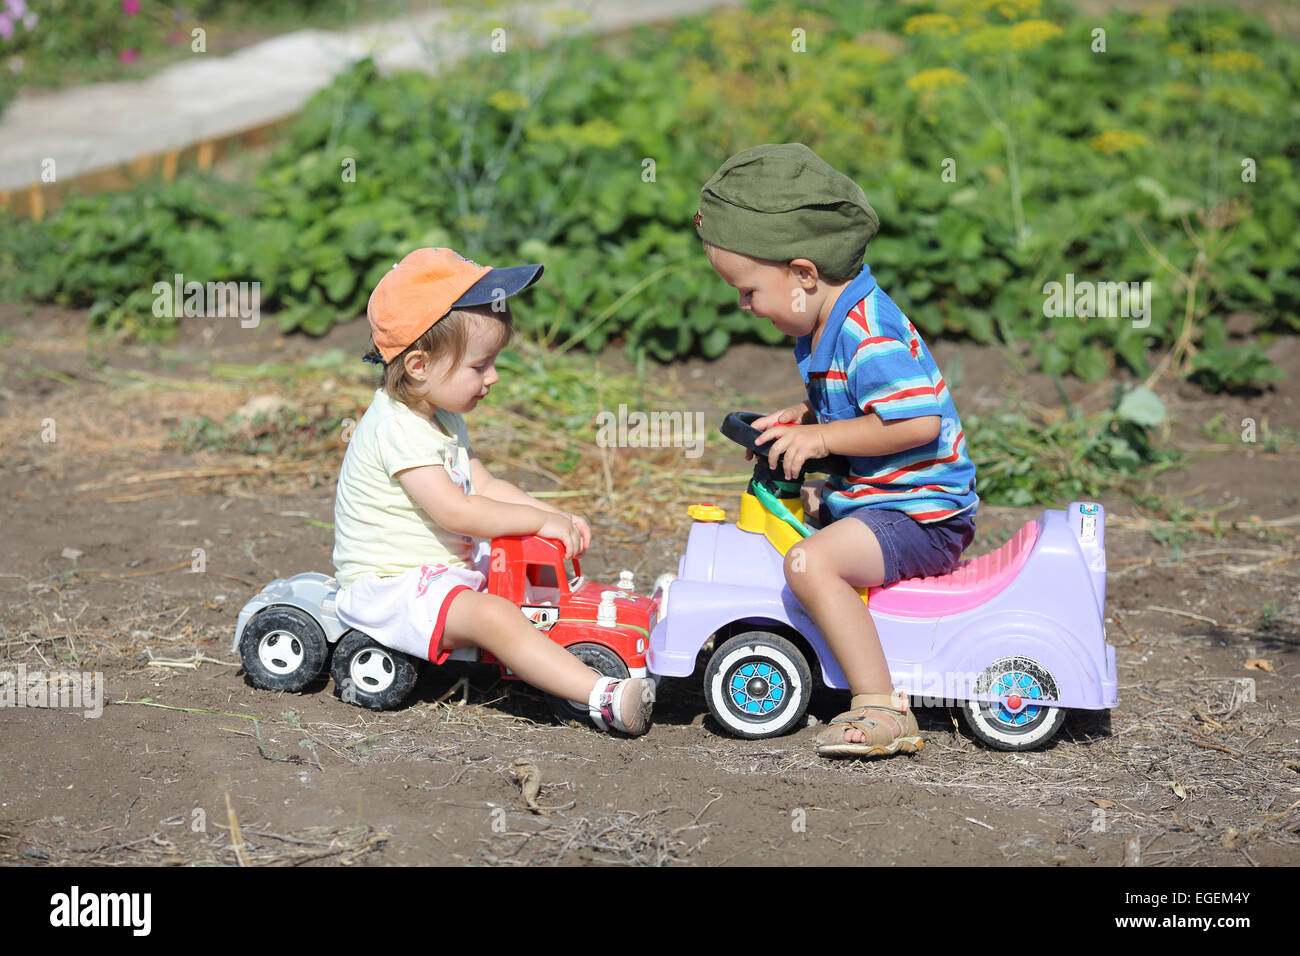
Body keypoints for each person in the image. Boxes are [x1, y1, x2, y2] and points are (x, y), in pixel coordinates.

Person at [695, 143, 978, 757]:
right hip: (881, 500)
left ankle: (881, 705)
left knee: (809, 563)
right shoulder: (828, 319)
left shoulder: (867, 332)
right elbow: (858, 405)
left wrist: (820, 438)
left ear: (802, 274)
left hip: (921, 515)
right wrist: (803, 418)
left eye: (747, 292)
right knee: (790, 527)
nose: (744, 307)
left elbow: (915, 424)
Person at [331, 247, 653, 734]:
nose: (494, 377)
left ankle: (576, 650)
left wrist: (550, 513)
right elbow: (456, 512)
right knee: (496, 616)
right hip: (391, 583)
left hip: (441, 567)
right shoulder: (396, 429)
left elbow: (484, 484)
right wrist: (537, 522)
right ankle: (600, 694)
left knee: (530, 589)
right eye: (480, 367)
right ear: (418, 366)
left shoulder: (441, 414)